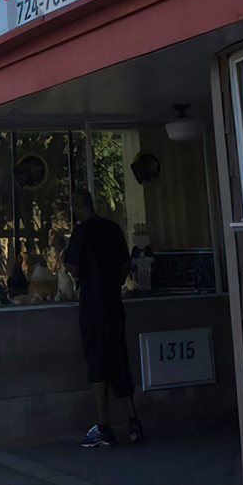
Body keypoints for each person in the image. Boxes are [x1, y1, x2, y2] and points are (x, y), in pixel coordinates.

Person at [64, 187, 144, 447]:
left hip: (92, 306)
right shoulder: (113, 229)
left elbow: (74, 268)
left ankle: (104, 426)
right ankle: (134, 422)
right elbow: (125, 265)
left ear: (77, 208)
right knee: (119, 358)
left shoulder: (80, 232)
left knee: (97, 364)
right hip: (113, 304)